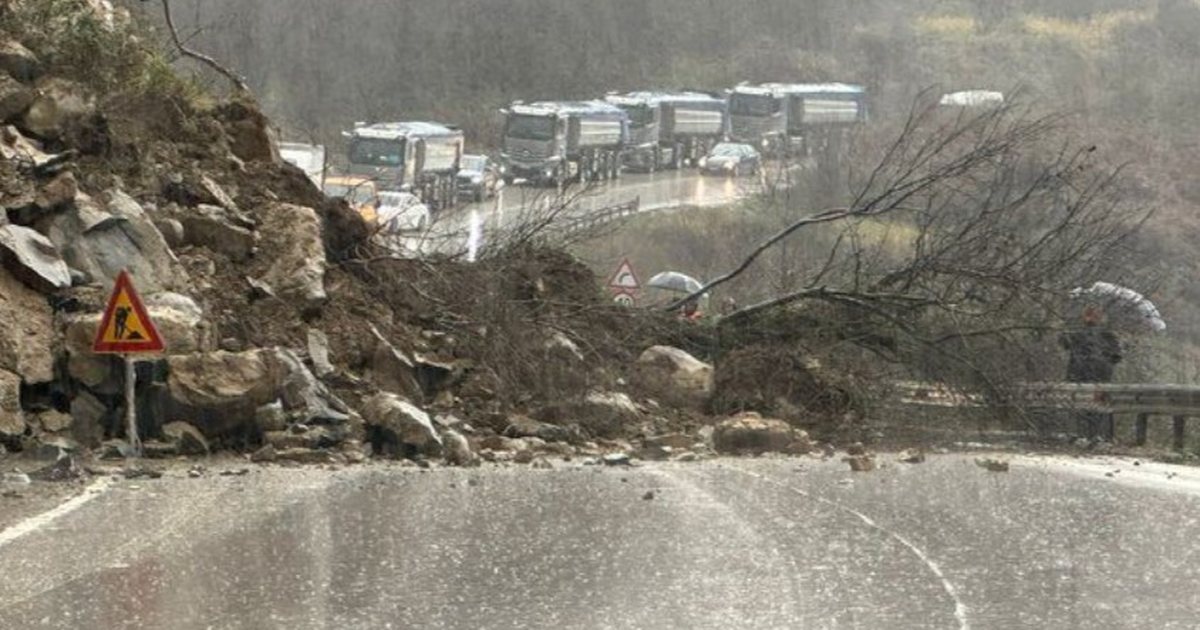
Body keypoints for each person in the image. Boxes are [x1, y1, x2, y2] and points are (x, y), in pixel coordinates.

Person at [1059, 306, 1122, 440]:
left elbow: (1116, 355)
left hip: (1087, 375)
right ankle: (1092, 434)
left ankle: (1091, 434)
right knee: (1091, 405)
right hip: (1090, 376)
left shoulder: (1082, 333)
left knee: (1089, 405)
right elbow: (1117, 356)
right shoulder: (1103, 334)